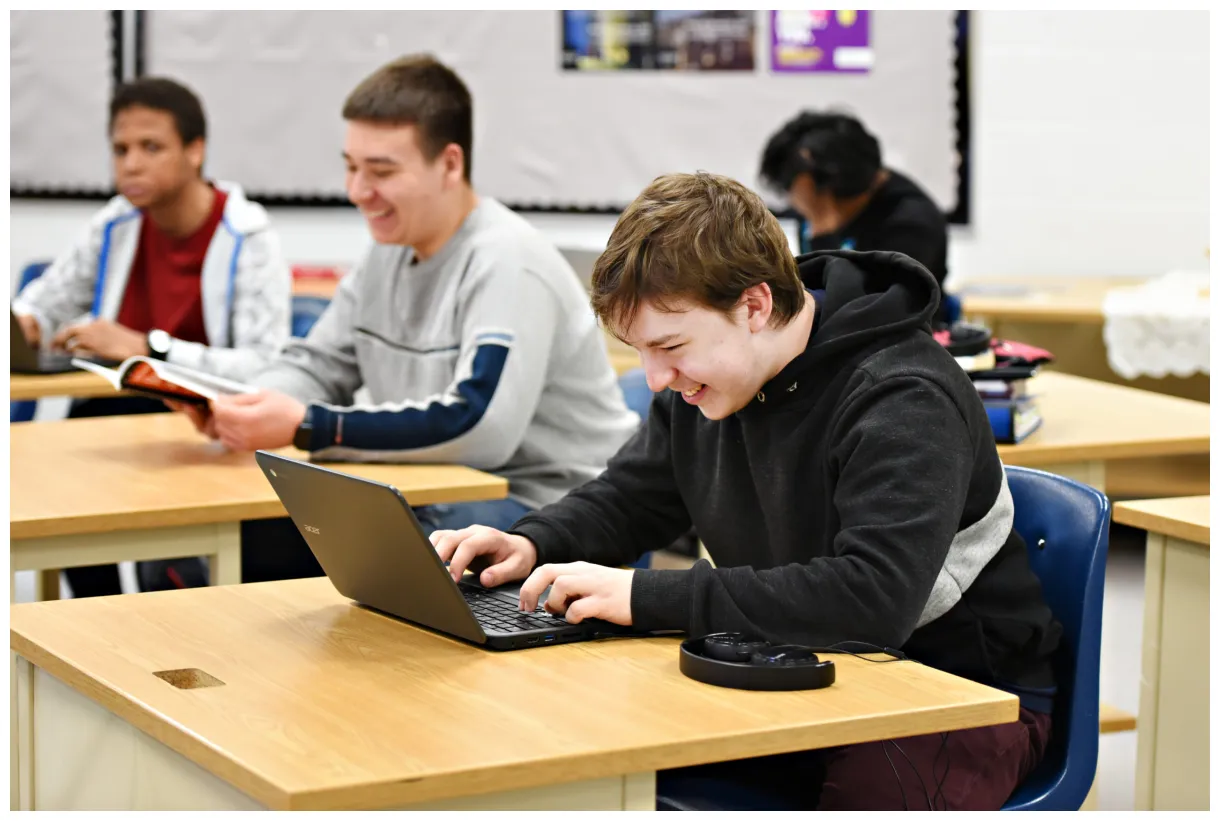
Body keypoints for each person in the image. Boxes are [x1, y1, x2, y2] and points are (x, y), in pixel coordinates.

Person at [431, 171, 1060, 810]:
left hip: (959, 695)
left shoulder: (903, 395)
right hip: (791, 663)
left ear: (755, 307)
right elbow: (633, 497)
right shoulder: (709, 383)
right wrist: (532, 543)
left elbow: (872, 598)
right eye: (639, 350)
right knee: (581, 753)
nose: (655, 378)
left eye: (670, 346)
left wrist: (644, 596)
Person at [177, 54, 640, 583]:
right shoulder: (388, 253)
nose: (358, 191)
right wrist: (246, 407)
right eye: (351, 167)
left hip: (551, 511)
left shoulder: (507, 262)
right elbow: (318, 364)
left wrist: (308, 426)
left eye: (381, 172)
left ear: (450, 164)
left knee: (356, 556)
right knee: (263, 536)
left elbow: (479, 426)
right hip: (445, 488)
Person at [11, 76, 292, 598]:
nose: (131, 164)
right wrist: (29, 322)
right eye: (120, 150)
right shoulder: (116, 222)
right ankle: (97, 617)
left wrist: (150, 348)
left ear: (195, 151)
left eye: (151, 147)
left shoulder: (249, 237)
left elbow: (265, 366)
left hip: (202, 423)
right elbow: (46, 303)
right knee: (65, 480)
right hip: (118, 414)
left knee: (167, 560)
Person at [759, 110, 949, 320]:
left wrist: (823, 230)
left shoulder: (912, 225)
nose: (792, 201)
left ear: (827, 188)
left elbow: (863, 314)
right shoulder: (818, 198)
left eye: (790, 188)